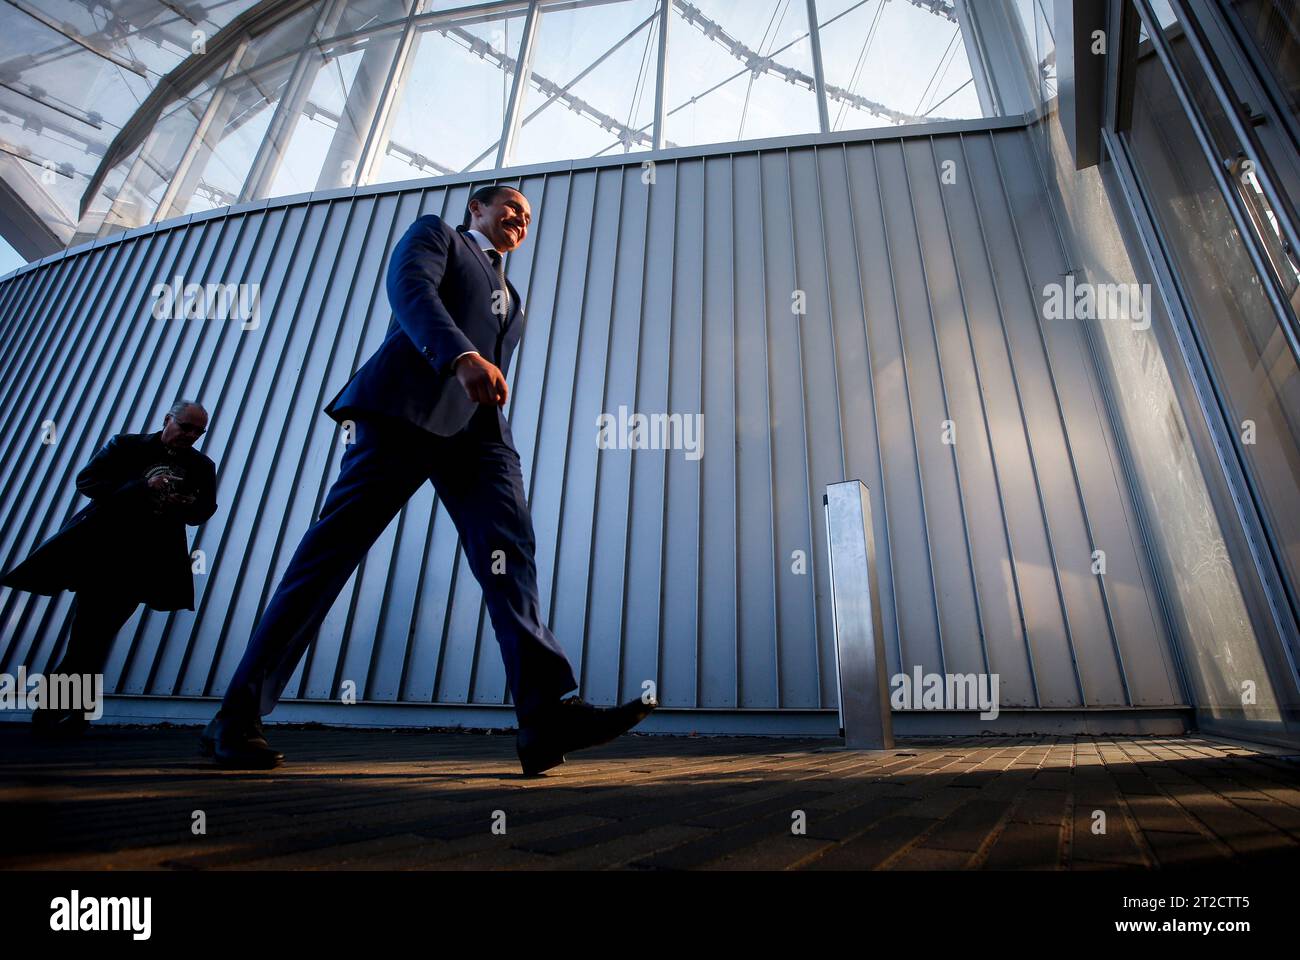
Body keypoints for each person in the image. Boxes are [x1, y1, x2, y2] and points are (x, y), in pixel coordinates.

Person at [202, 184, 655, 774]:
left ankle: (545, 718)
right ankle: (235, 717)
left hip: (481, 438)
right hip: (405, 414)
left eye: (526, 217)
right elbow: (410, 291)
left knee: (509, 559)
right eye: (509, 209)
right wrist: (459, 356)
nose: (519, 220)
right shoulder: (437, 234)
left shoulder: (513, 297)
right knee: (328, 559)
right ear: (478, 209)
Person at [1, 401, 217, 736]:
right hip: (102, 555)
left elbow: (203, 510)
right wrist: (142, 487)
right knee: (91, 634)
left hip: (146, 563)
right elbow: (87, 481)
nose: (190, 435)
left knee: (96, 636)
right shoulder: (126, 446)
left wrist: (188, 505)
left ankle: (68, 713)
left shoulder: (201, 465)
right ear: (167, 419)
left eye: (197, 431)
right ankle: (59, 713)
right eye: (185, 426)